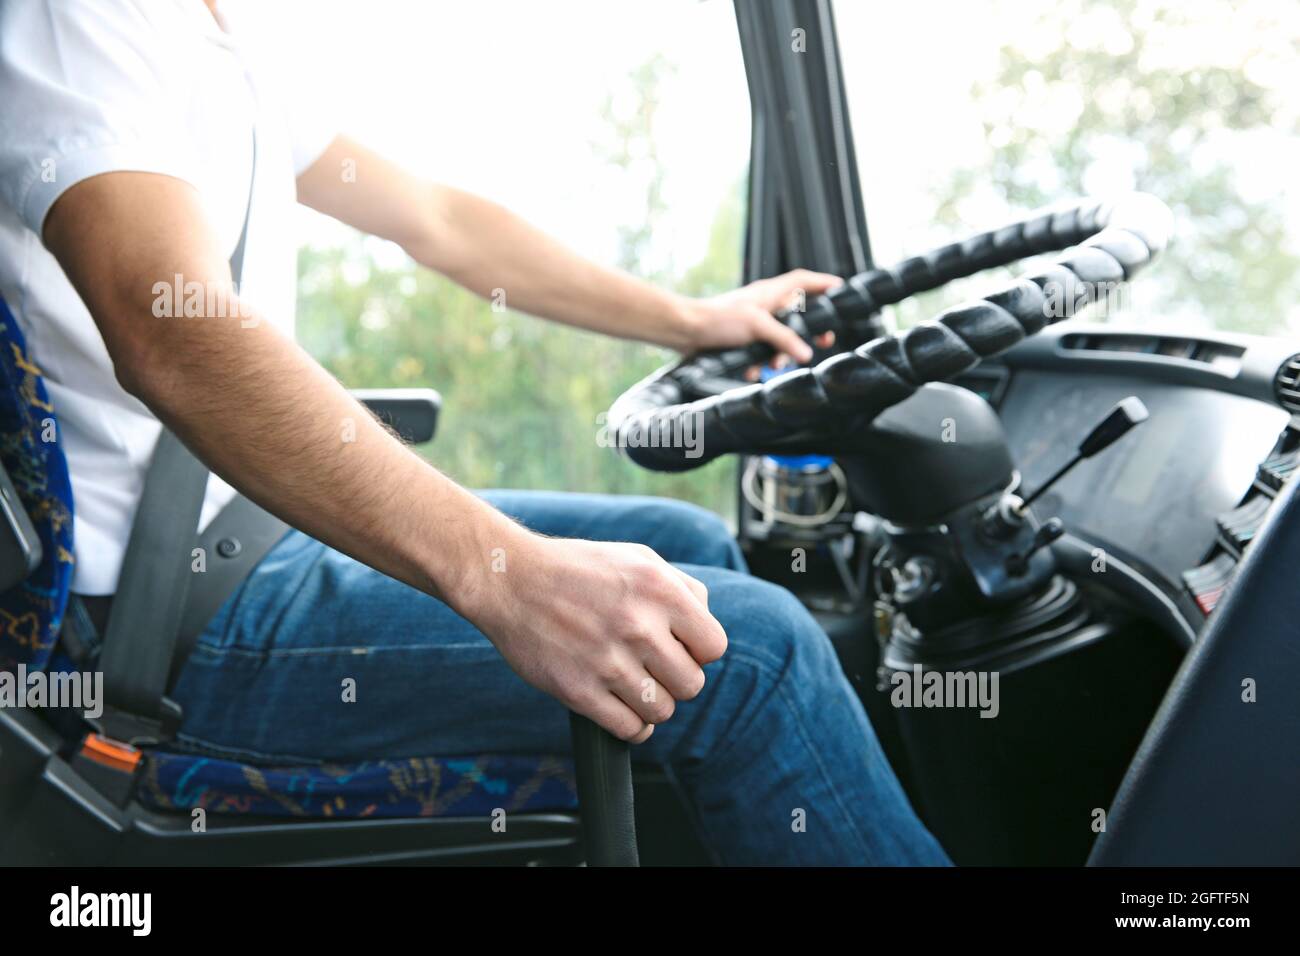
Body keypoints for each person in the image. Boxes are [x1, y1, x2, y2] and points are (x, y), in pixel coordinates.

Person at [0, 0, 948, 865]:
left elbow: (438, 220)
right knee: (755, 655)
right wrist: (507, 578)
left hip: (251, 534)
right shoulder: (83, 21)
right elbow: (176, 330)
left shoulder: (226, 32)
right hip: (153, 616)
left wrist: (695, 319)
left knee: (687, 546)